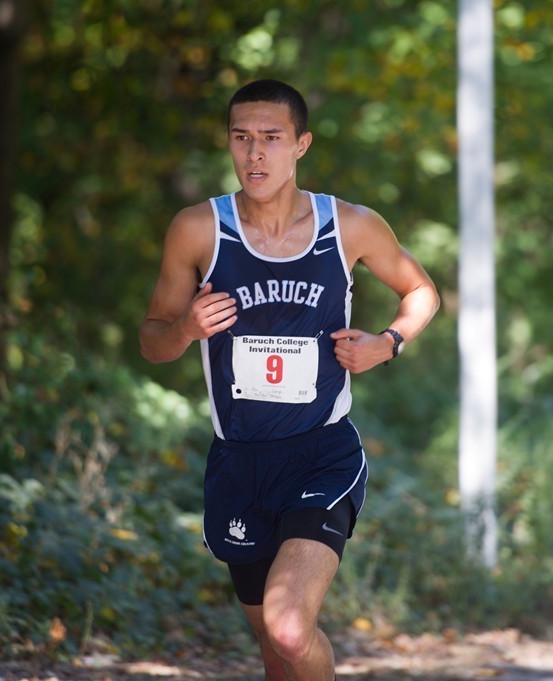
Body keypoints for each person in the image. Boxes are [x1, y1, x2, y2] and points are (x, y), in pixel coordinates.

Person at [139, 79, 439, 681]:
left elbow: (421, 290)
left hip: (321, 454)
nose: (255, 153)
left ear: (301, 144)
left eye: (271, 138)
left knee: (290, 628)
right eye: (241, 137)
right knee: (274, 649)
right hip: (240, 462)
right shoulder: (199, 230)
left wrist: (387, 343)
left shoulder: (349, 225)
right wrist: (186, 329)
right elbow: (152, 341)